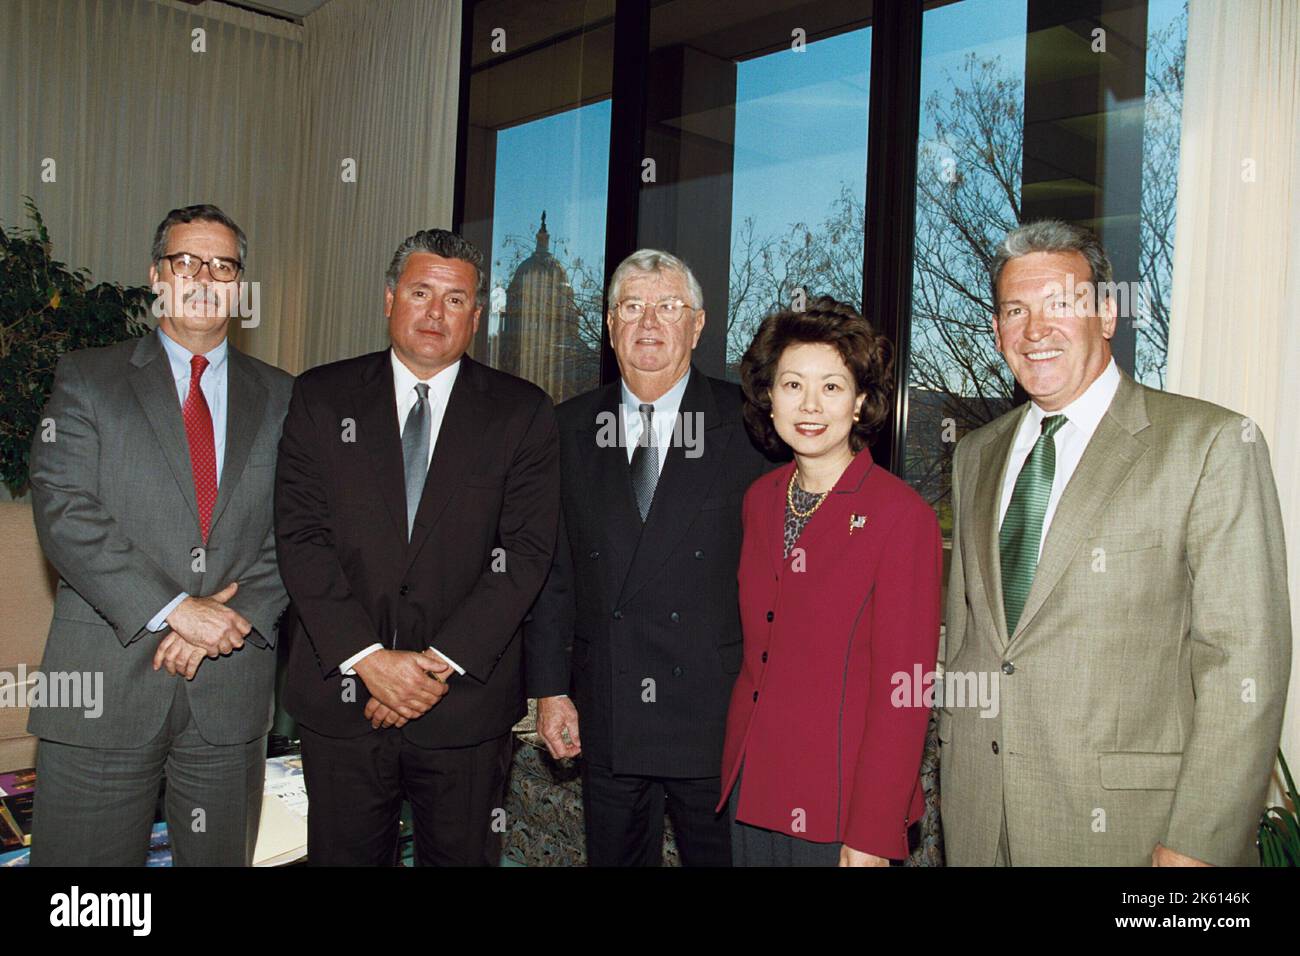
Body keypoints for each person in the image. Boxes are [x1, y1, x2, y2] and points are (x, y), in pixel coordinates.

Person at [940, 220, 1292, 866]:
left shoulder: (1209, 446)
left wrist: (1198, 841)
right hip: (977, 820)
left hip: (1129, 836)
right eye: (1015, 310)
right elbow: (965, 640)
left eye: (1061, 305)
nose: (1035, 329)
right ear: (996, 332)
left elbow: (1246, 661)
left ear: (1106, 314)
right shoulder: (975, 457)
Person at [275, 228, 560, 866]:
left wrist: (432, 668)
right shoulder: (321, 397)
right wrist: (369, 659)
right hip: (342, 700)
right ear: (388, 299)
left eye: (455, 299)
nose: (435, 313)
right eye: (420, 292)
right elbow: (301, 538)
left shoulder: (522, 412)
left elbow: (525, 554)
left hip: (464, 710)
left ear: (477, 317)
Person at [28, 204, 293, 865]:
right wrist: (178, 611)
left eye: (222, 264)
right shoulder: (88, 378)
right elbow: (64, 508)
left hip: (230, 695)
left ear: (239, 284)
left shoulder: (287, 397)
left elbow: (303, 528)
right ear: (156, 276)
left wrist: (228, 620)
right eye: (186, 261)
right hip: (105, 691)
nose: (205, 275)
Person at [527, 249, 770, 866]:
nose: (649, 323)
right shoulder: (568, 428)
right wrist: (552, 691)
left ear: (698, 324)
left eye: (669, 307)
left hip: (714, 714)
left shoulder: (751, 428)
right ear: (610, 327)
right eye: (631, 307)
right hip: (610, 708)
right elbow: (552, 576)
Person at [717, 296, 941, 866]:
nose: (810, 405)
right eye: (792, 385)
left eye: (832, 387)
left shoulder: (901, 515)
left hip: (841, 803)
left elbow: (905, 691)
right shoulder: (760, 500)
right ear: (768, 398)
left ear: (861, 400)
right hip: (754, 785)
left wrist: (871, 832)